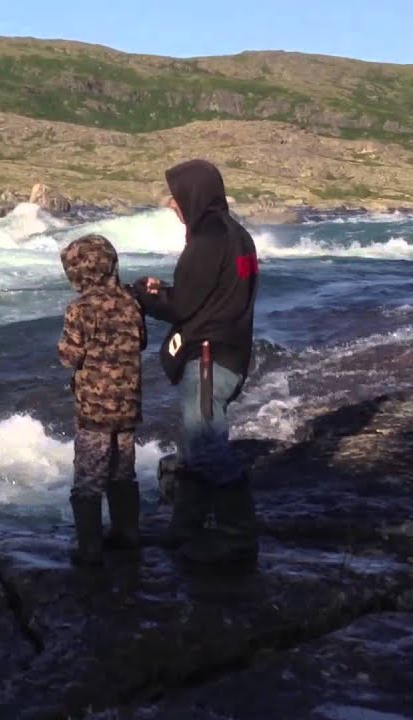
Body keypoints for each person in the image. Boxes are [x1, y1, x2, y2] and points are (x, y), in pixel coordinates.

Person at [133, 159, 260, 569]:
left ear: (195, 193)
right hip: (230, 351)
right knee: (192, 445)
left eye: (177, 194)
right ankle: (184, 526)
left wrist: (145, 296)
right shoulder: (238, 236)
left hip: (208, 357)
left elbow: (184, 306)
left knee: (204, 444)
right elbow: (214, 295)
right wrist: (167, 291)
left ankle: (238, 536)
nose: (172, 203)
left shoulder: (206, 239)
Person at [58, 234, 148, 566]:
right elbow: (141, 342)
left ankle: (90, 548)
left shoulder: (79, 309)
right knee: (123, 473)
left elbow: (69, 356)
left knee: (89, 480)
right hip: (128, 408)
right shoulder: (131, 303)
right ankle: (128, 533)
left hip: (93, 412)